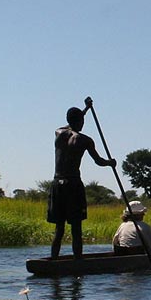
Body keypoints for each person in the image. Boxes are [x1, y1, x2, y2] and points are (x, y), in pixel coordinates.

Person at [47, 98, 116, 258]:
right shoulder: (85, 140)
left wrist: (85, 109)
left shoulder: (58, 133)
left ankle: (54, 261)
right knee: (76, 228)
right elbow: (99, 161)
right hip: (73, 184)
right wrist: (110, 163)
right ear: (81, 121)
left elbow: (72, 123)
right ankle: (78, 262)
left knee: (59, 228)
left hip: (57, 183)